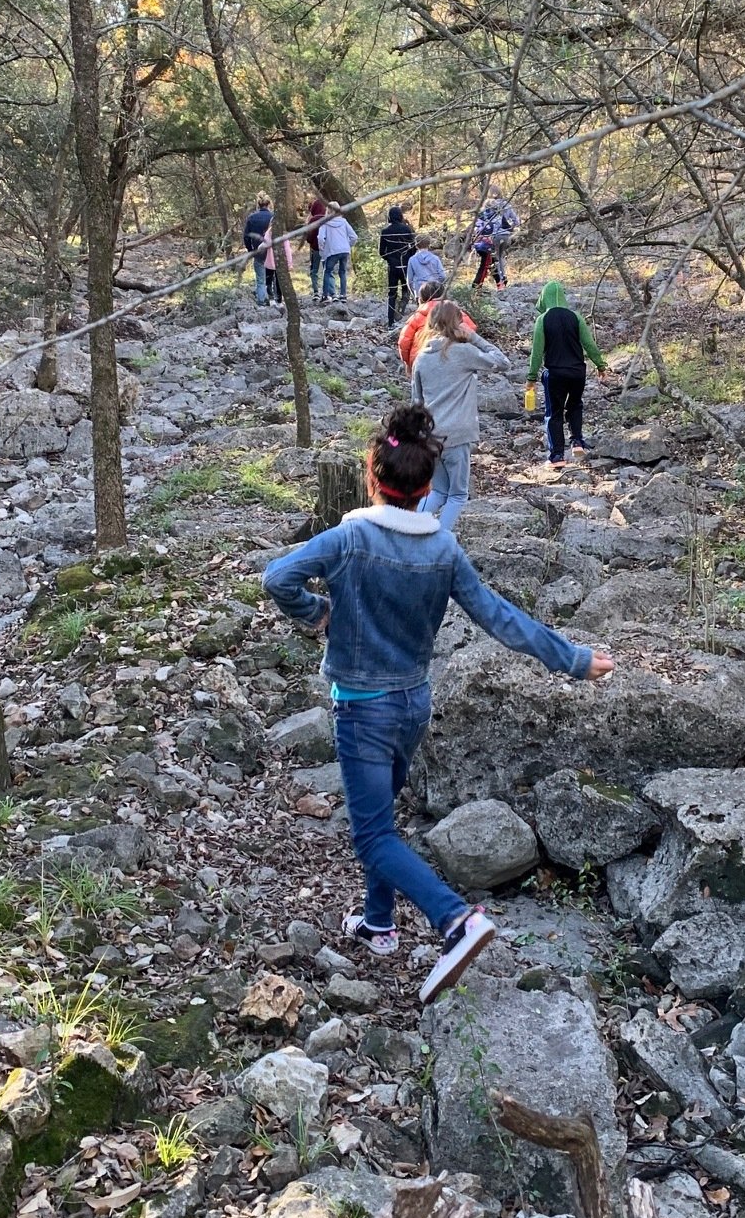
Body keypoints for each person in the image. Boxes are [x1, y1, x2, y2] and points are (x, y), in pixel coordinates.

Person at [261, 404, 613, 1004]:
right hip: (413, 707)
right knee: (383, 818)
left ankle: (455, 919)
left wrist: (319, 613)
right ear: (427, 491)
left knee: (372, 836)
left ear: (372, 476)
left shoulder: (349, 538)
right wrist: (574, 659)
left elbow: (277, 578)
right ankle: (378, 923)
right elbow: (500, 618)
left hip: (363, 710)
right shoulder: (444, 550)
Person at [411, 302, 510, 531]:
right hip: (457, 434)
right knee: (457, 495)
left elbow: (416, 402)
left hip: (430, 436)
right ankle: (440, 539)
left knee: (438, 492)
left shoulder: (421, 358)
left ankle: (408, 528)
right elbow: (502, 362)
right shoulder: (463, 352)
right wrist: (474, 338)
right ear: (457, 323)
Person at [526, 280, 608, 467]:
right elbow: (589, 344)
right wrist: (601, 365)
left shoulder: (543, 320)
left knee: (554, 412)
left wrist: (531, 378)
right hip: (577, 372)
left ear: (544, 298)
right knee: (575, 405)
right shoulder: (575, 317)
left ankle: (557, 456)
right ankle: (577, 441)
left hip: (555, 373)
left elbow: (537, 352)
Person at [397, 282, 475, 374]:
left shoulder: (416, 317)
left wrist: (408, 363)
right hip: (453, 362)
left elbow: (404, 342)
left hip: (422, 362)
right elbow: (471, 330)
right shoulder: (457, 313)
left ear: (421, 298)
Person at [379, 206, 418, 327]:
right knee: (407, 289)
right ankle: (403, 310)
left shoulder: (385, 232)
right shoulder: (407, 229)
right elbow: (413, 248)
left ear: (389, 217)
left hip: (393, 267)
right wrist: (408, 258)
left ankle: (390, 322)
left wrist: (390, 259)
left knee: (392, 293)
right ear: (401, 216)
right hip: (405, 265)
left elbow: (382, 252)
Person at [242, 193, 278, 307]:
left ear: (258, 204)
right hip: (272, 252)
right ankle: (275, 299)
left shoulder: (251, 218)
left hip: (258, 252)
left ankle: (262, 301)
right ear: (269, 204)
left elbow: (246, 236)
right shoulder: (274, 217)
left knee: (260, 279)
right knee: (273, 277)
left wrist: (250, 249)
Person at [318, 205, 358, 300]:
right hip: (344, 250)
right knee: (342, 272)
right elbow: (354, 237)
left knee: (327, 271)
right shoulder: (344, 222)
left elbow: (321, 238)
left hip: (332, 251)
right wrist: (348, 245)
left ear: (328, 211)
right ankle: (343, 295)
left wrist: (322, 247)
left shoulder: (325, 223)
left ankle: (325, 295)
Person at [306, 193, 328, 297]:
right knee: (326, 270)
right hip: (326, 249)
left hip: (315, 249)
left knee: (314, 270)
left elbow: (309, 236)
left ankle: (316, 292)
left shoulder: (313, 220)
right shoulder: (328, 219)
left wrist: (310, 242)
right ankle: (326, 292)